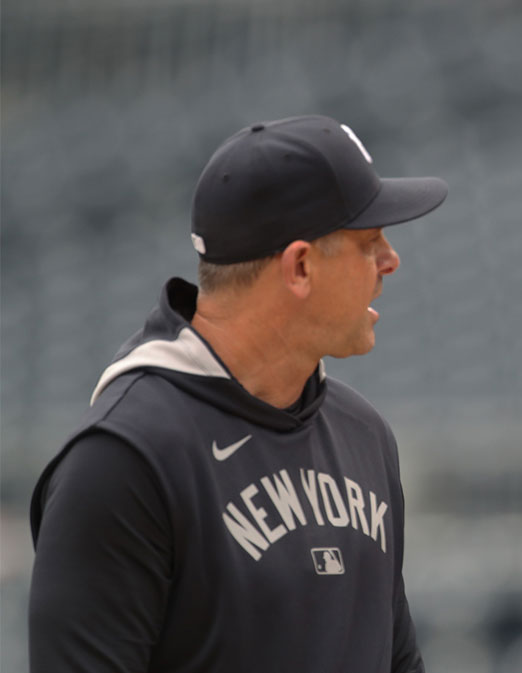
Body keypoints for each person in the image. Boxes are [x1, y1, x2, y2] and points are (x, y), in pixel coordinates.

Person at [28, 115, 447, 672]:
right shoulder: (123, 459)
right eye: (369, 243)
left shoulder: (364, 433)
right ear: (300, 267)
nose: (391, 261)